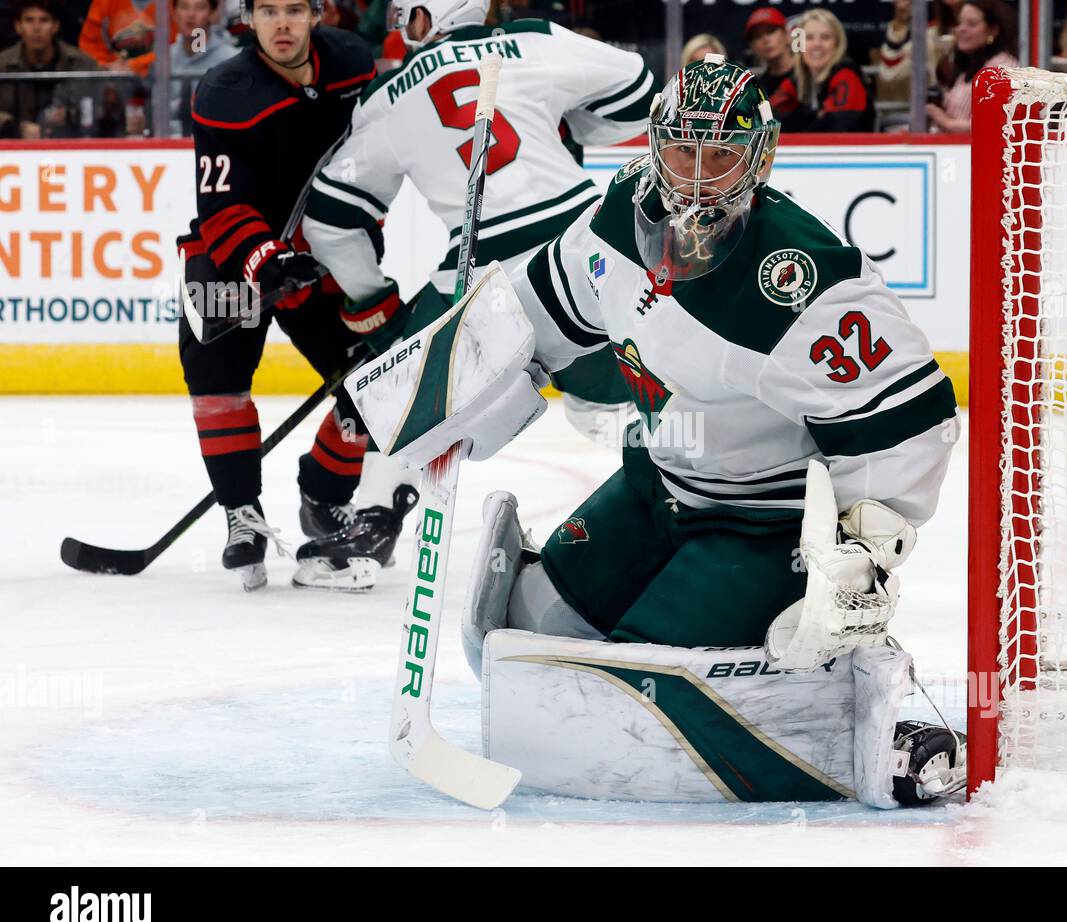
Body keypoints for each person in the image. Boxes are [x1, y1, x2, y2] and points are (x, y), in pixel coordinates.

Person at [380, 57, 961, 801]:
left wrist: (862, 554)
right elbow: (550, 306)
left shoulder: (799, 282)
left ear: (762, 156)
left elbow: (905, 420)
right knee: (519, 633)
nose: (695, 175)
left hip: (759, 522)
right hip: (658, 485)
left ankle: (849, 704)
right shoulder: (621, 210)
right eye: (682, 149)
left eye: (721, 153)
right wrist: (466, 383)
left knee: (628, 702)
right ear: (654, 145)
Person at [296, 0, 653, 584]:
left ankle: (372, 527)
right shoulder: (534, 40)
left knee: (406, 392)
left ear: (431, 14)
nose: (400, 28)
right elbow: (637, 86)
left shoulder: (386, 97)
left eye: (406, 15)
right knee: (629, 410)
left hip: (483, 268)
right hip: (589, 251)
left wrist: (374, 305)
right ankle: (685, 504)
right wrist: (575, 125)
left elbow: (331, 220)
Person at [178, 0, 379, 590]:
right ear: (250, 18)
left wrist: (355, 237)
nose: (282, 23)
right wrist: (267, 260)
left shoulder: (353, 62)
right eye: (268, 10)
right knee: (216, 383)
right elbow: (219, 206)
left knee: (374, 380)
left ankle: (323, 494)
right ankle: (242, 514)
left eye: (295, 9)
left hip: (320, 260)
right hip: (235, 260)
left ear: (317, 14)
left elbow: (373, 161)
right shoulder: (224, 90)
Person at [0, 0, 101, 137]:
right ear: (18, 26)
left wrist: (69, 116)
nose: (36, 28)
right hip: (12, 149)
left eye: (44, 20)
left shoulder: (82, 64)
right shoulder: (2, 64)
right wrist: (17, 129)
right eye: (29, 20)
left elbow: (97, 110)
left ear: (55, 26)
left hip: (69, 146)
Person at [928, 0, 1017, 134]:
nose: (961, 29)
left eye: (972, 24)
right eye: (959, 23)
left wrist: (946, 122)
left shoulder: (1002, 67)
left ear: (993, 30)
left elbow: (998, 124)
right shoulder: (964, 67)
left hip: (979, 152)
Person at [151, 0, 237, 135]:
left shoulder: (230, 60)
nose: (191, 15)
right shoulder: (163, 59)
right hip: (167, 146)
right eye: (184, 7)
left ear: (212, 13)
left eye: (200, 7)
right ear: (174, 12)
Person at [782, 8, 872, 133]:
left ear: (836, 44)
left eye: (825, 37)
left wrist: (800, 119)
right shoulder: (798, 78)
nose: (817, 44)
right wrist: (814, 116)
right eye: (809, 38)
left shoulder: (846, 76)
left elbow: (840, 129)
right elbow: (768, 118)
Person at [77, 0, 173, 75]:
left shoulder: (172, 4)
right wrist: (111, 64)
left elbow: (175, 46)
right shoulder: (105, 2)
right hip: (114, 77)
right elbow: (89, 45)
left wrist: (135, 65)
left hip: (159, 76)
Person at [744, 6, 797, 120]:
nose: (765, 40)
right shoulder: (756, 89)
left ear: (787, 35)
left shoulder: (809, 76)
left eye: (771, 31)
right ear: (752, 46)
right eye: (757, 36)